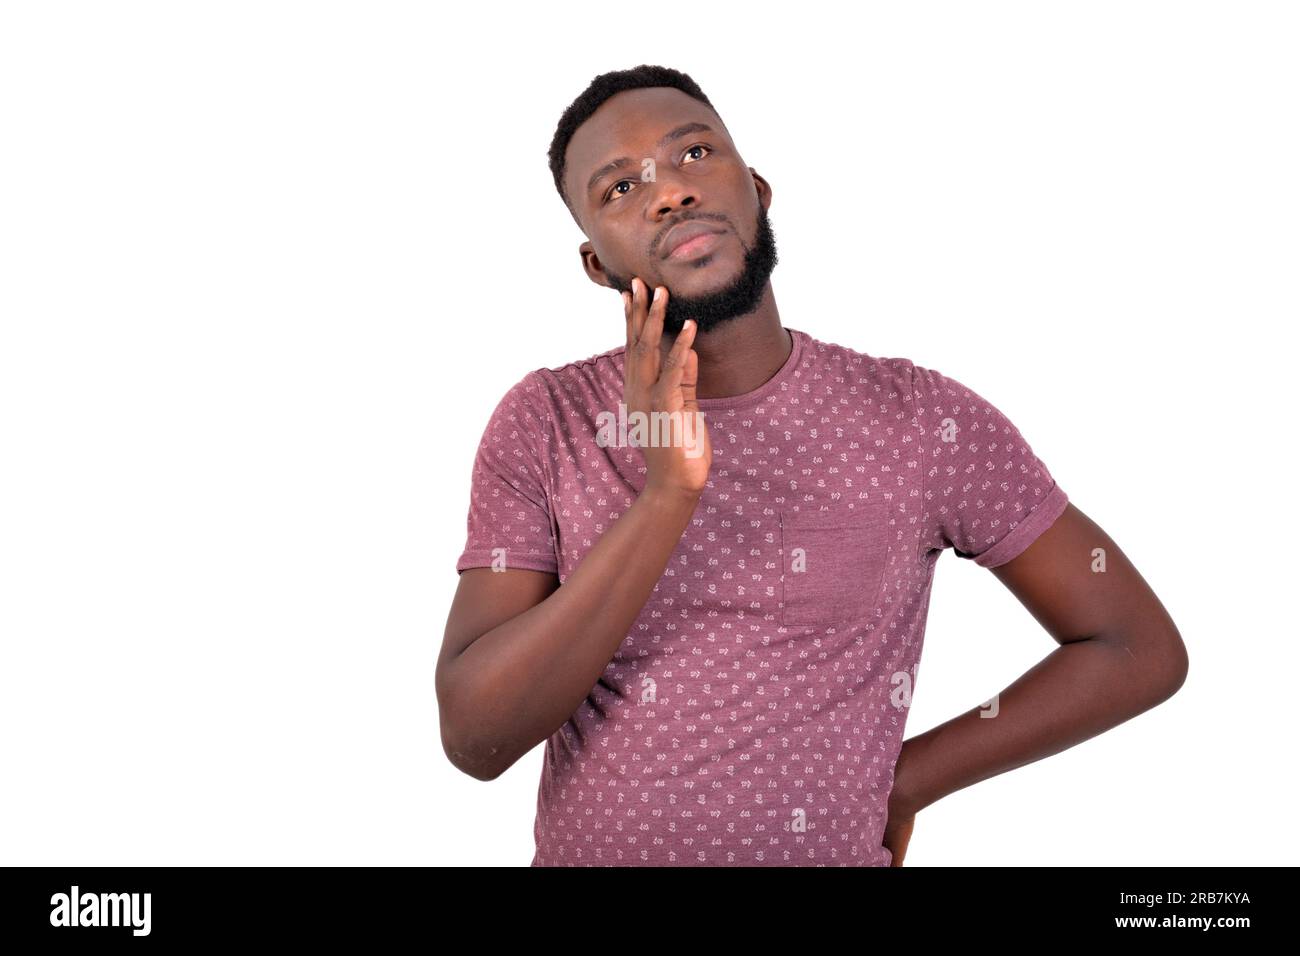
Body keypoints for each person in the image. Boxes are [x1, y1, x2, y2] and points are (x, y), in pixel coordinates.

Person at [437, 64, 1187, 866]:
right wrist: (666, 497)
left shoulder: (922, 419)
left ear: (756, 189)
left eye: (693, 153)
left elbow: (1134, 647)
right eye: (620, 188)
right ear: (596, 265)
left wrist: (908, 780)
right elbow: (477, 738)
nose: (669, 193)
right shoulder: (547, 421)